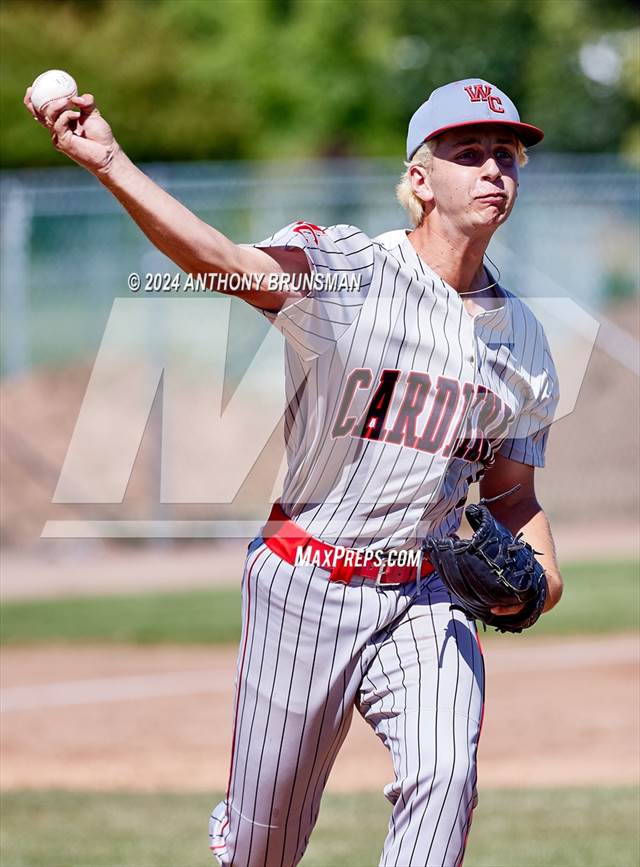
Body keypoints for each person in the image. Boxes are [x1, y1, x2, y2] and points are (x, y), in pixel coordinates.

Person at [25, 77, 563, 867]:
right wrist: (110, 160)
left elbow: (513, 495)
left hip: (424, 592)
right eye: (469, 152)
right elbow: (221, 258)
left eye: (507, 155)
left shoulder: (526, 341)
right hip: (303, 583)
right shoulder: (349, 269)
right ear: (419, 180)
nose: (494, 169)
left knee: (447, 777)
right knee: (263, 845)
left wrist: (544, 580)